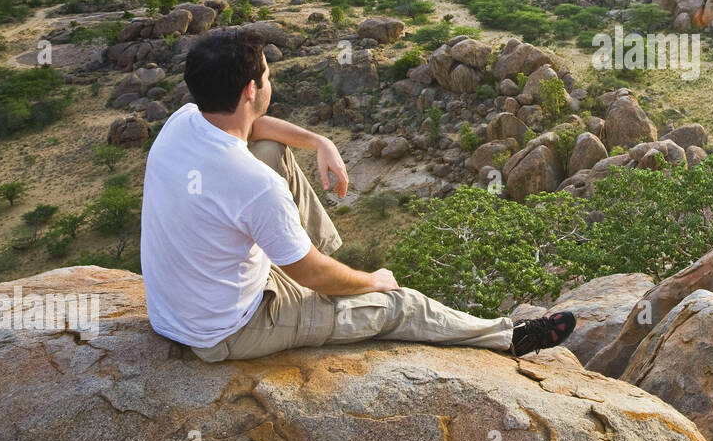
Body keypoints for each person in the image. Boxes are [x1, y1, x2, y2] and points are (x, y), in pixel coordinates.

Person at [139, 26, 574, 362]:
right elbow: (310, 276)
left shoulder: (184, 119)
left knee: (270, 149)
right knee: (397, 305)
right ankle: (509, 337)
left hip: (178, 308)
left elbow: (251, 129)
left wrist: (319, 142)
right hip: (228, 330)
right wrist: (372, 282)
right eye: (267, 76)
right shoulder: (254, 184)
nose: (270, 83)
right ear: (252, 90)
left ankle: (322, 257)